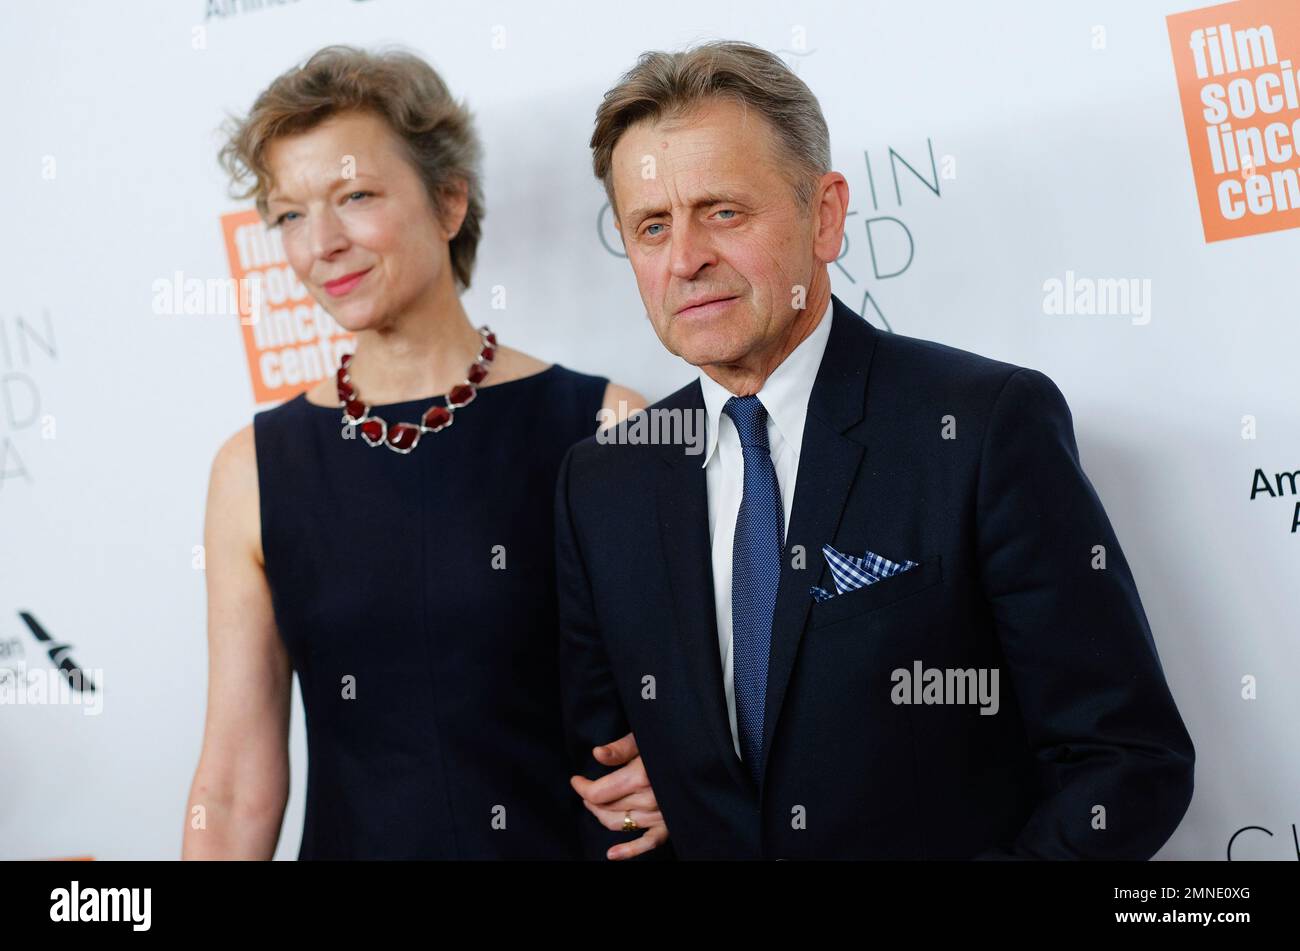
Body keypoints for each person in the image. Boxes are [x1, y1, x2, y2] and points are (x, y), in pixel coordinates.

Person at [558, 40, 1195, 859]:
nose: (686, 259)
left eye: (723, 211)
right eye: (652, 226)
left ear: (824, 215)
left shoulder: (984, 425)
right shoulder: (603, 480)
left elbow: (1126, 762)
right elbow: (611, 778)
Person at [184, 45, 663, 860]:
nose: (321, 243)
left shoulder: (608, 425)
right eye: (290, 214)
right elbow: (233, 784)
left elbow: (702, 704)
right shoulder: (253, 470)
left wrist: (683, 770)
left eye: (355, 196)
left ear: (448, 202)